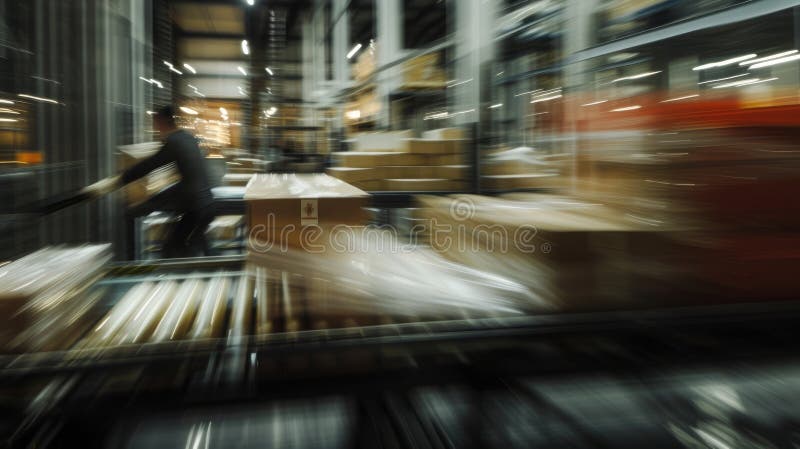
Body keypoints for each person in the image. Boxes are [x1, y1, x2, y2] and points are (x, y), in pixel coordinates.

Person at [86, 105, 216, 258]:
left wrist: (118, 181)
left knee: (174, 249)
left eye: (155, 122)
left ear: (162, 120)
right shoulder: (187, 137)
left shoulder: (174, 141)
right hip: (205, 204)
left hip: (194, 206)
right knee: (184, 245)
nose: (155, 126)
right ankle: (205, 262)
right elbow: (190, 172)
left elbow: (149, 165)